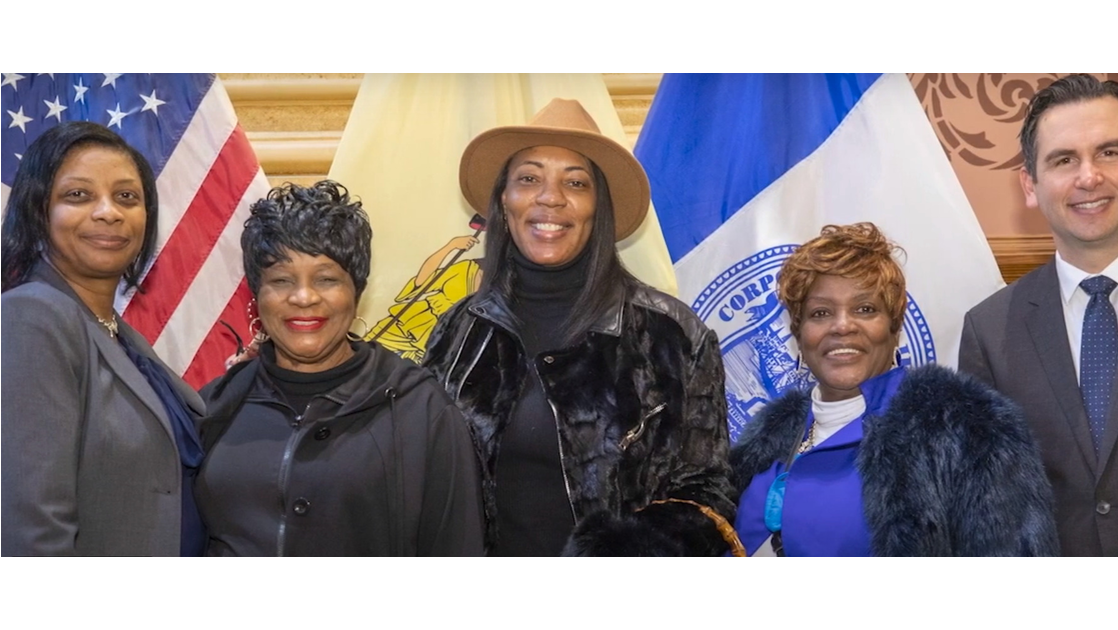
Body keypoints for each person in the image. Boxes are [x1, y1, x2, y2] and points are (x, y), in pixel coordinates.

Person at [423, 98, 739, 556]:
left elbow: (708, 493)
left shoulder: (671, 335)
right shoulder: (456, 332)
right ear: (503, 202)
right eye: (528, 178)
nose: (550, 197)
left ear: (599, 208)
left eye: (576, 182)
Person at [959, 74, 1118, 556]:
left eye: (1109, 152)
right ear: (1030, 185)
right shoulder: (989, 328)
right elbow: (987, 509)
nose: (1088, 177)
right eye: (1064, 160)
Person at [731, 223, 1059, 556]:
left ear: (894, 325)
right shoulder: (766, 435)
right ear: (799, 333)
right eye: (821, 313)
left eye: (865, 309)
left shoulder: (968, 430)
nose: (842, 325)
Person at [194, 180, 484, 556]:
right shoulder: (214, 406)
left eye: (326, 279)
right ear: (257, 294)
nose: (303, 297)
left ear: (357, 291)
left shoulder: (423, 410)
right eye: (281, 280)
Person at [1, 121, 206, 556]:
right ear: (40, 211)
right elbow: (31, 527)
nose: (109, 211)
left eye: (127, 196)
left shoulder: (120, 336)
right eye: (79, 195)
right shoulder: (31, 318)